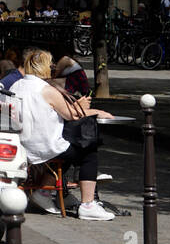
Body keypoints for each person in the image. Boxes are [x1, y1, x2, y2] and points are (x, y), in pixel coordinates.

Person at [14, 49, 116, 220]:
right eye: (51, 65)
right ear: (45, 67)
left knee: (67, 145)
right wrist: (93, 110)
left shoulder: (16, 85)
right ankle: (88, 204)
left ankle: (44, 192)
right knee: (87, 150)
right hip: (42, 146)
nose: (53, 68)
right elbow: (72, 114)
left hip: (22, 144)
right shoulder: (46, 90)